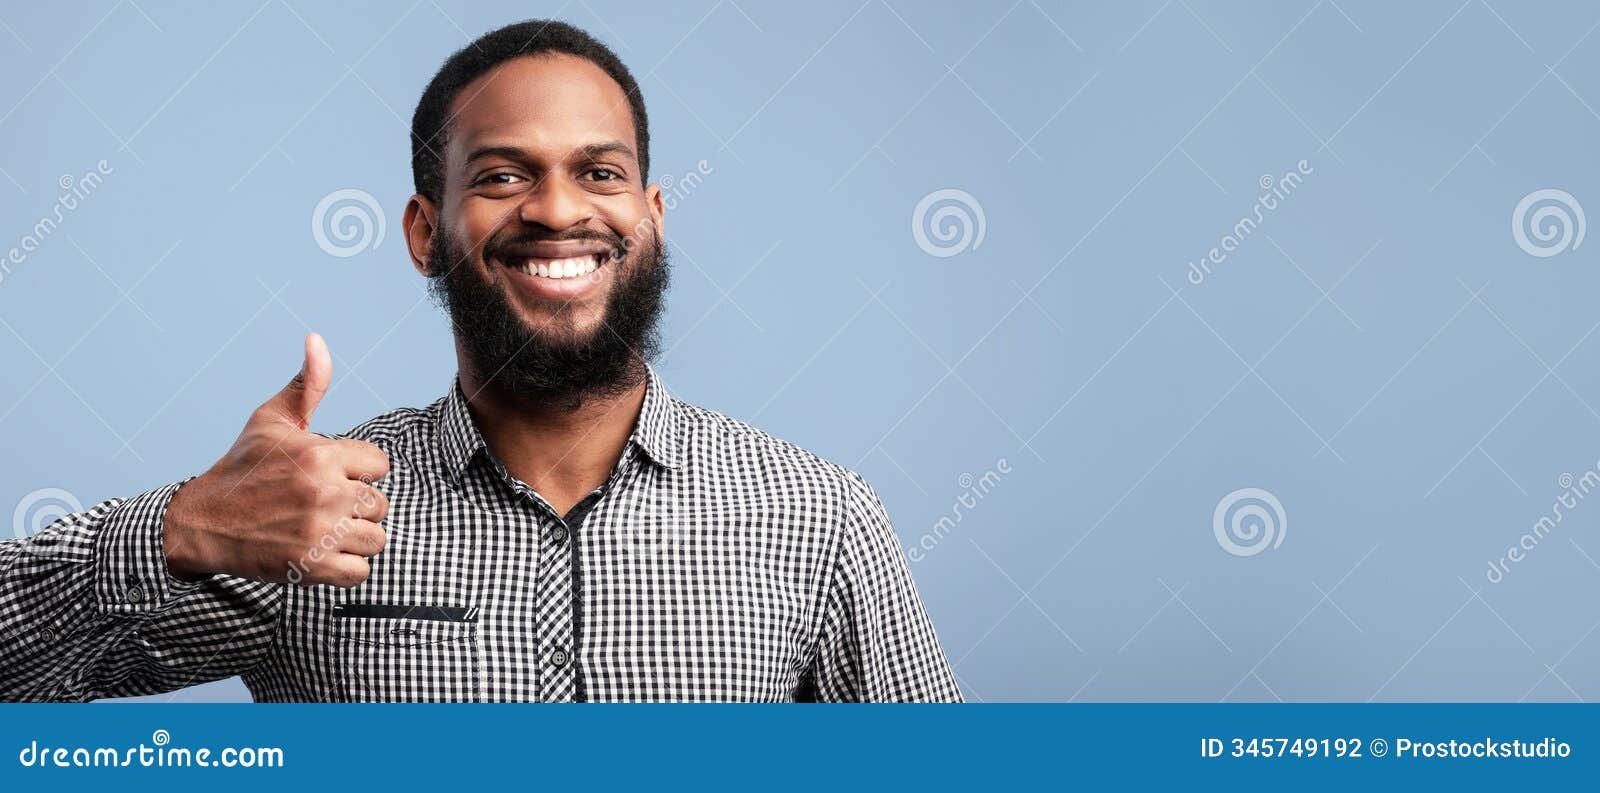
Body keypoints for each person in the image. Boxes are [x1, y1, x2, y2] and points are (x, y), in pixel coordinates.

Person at [0, 19, 960, 702]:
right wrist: (179, 524)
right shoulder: (306, 514)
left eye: (600, 172)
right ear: (425, 232)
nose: (555, 209)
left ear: (652, 218)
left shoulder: (816, 515)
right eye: (502, 176)